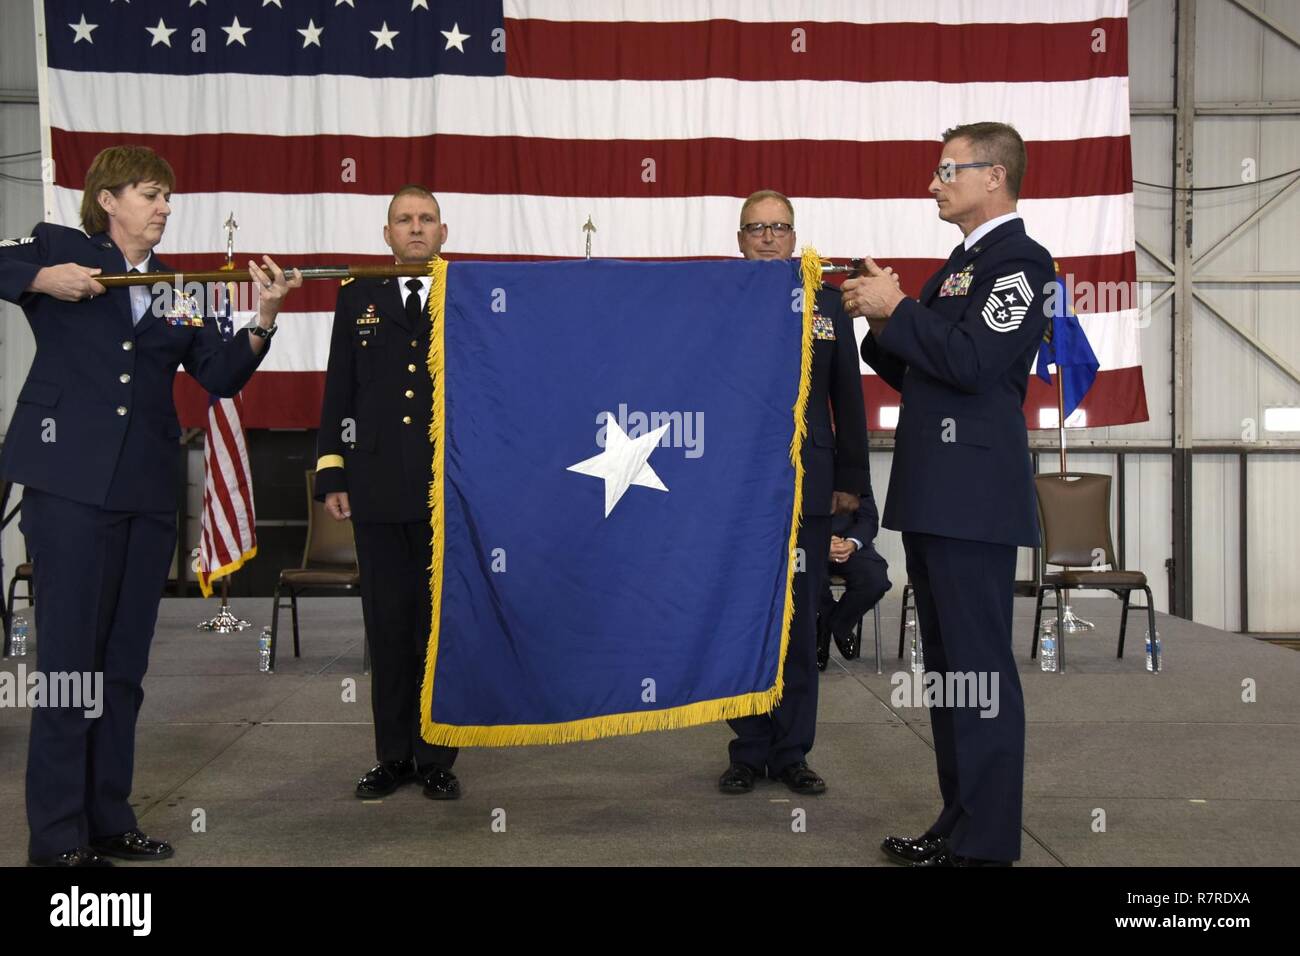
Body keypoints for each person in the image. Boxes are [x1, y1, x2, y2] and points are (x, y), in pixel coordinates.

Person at [0, 145, 300, 866]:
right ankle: (57, 838)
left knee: (122, 668)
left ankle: (108, 817)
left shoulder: (175, 289)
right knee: (70, 665)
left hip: (143, 492)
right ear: (109, 199)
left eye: (167, 196)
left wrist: (262, 320)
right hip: (69, 487)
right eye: (150, 194)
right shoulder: (61, 247)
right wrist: (42, 277)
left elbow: (221, 377)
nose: (164, 207)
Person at [842, 122, 1055, 866]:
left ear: (994, 176)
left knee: (980, 670)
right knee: (950, 673)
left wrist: (901, 310)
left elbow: (972, 363)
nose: (934, 182)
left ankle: (989, 843)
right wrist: (880, 316)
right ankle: (958, 822)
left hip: (973, 497)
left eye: (947, 170)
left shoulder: (1021, 264)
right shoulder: (958, 267)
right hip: (937, 491)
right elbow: (924, 371)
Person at [718, 190, 869, 796]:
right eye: (756, 228)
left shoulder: (826, 301)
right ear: (740, 239)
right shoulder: (718, 304)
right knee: (742, 622)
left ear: (794, 233)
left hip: (809, 487)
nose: (769, 237)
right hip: (737, 489)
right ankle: (747, 748)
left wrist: (852, 483)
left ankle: (791, 751)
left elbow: (848, 400)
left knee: (800, 624)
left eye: (780, 227)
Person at [314, 185, 461, 801]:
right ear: (387, 234)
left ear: (443, 233)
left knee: (437, 629)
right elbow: (339, 388)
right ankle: (392, 757)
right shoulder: (359, 298)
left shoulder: (466, 296)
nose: (416, 228)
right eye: (404, 219)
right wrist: (331, 472)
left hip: (443, 492)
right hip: (375, 488)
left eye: (426, 219)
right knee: (388, 626)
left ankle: (437, 759)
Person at [817, 489, 891, 670]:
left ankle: (838, 625)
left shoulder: (851, 468)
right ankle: (819, 638)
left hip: (847, 543)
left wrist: (850, 544)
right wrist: (820, 543)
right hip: (808, 544)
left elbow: (869, 518)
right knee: (811, 581)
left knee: (875, 579)